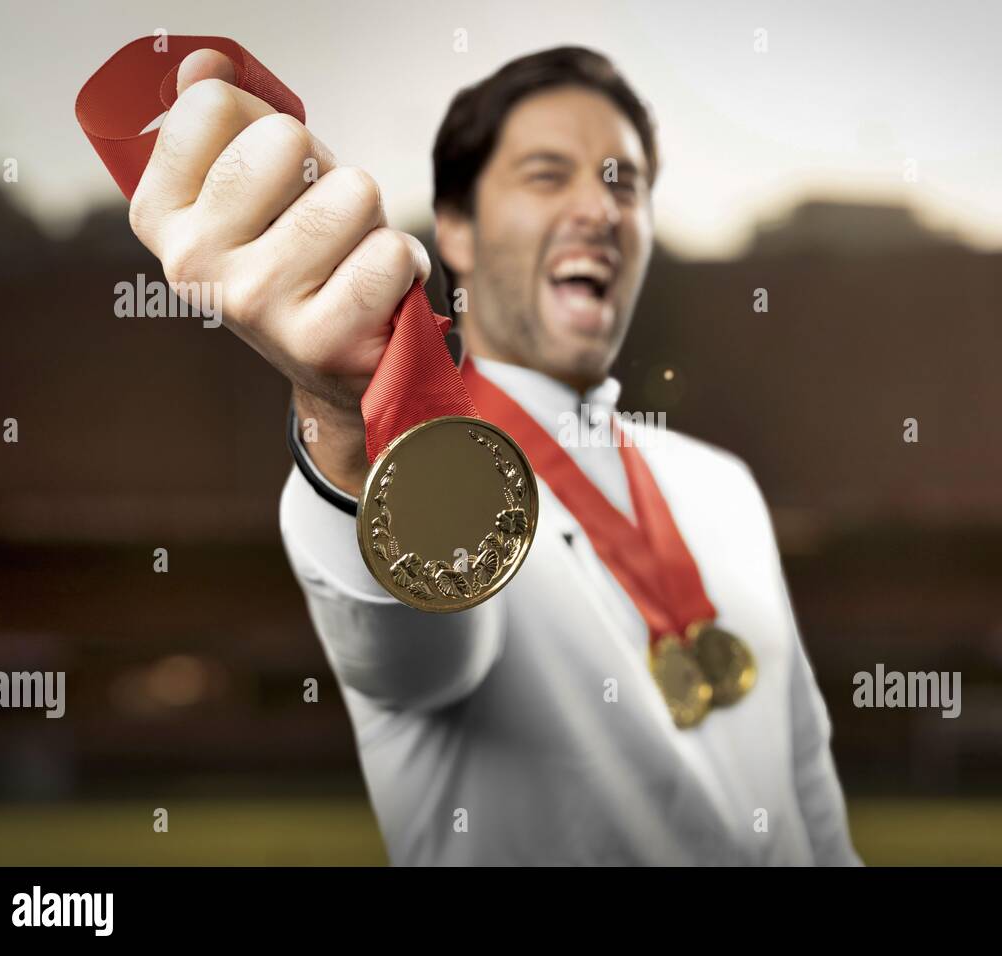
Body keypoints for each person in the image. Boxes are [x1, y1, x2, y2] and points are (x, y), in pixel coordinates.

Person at [127, 43, 861, 866]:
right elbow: (411, 650)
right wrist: (354, 411)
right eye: (548, 176)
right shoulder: (444, 472)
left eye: (625, 183)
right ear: (458, 235)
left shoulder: (723, 485)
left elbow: (812, 813)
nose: (600, 210)